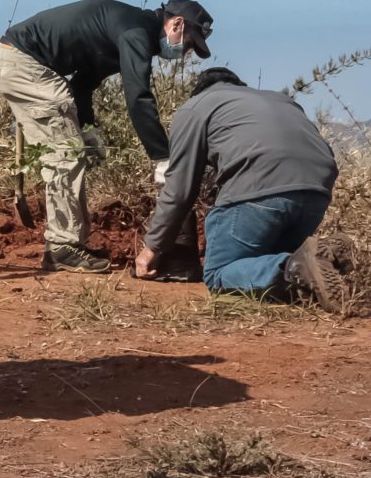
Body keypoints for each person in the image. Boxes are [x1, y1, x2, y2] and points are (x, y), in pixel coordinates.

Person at [0, 0, 213, 273]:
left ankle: (68, 244)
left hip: (24, 60)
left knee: (73, 149)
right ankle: (62, 248)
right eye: (189, 43)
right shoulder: (136, 34)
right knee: (65, 154)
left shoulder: (125, 30)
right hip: (26, 62)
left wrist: (88, 129)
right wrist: (161, 156)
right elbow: (137, 97)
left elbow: (83, 83)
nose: (185, 53)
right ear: (176, 23)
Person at [135, 67, 344, 310]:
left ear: (198, 91)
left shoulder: (196, 106)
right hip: (316, 195)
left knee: (218, 273)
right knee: (265, 265)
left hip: (260, 192)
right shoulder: (281, 100)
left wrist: (152, 247)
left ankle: (296, 266)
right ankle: (331, 268)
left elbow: (179, 188)